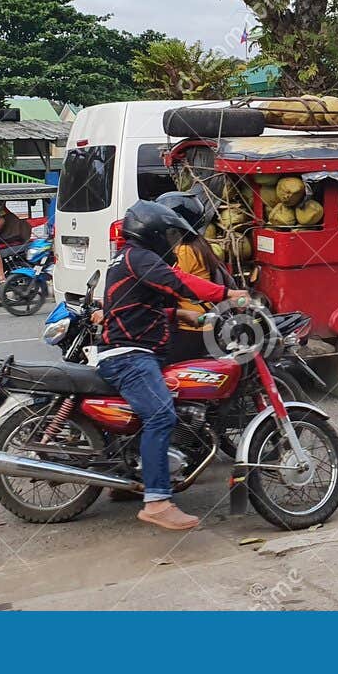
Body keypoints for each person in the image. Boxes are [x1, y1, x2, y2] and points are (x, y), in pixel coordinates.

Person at [95, 200, 247, 531]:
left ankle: (128, 480)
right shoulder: (140, 257)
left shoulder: (129, 257)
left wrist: (178, 314)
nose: (171, 241)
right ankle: (157, 502)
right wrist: (228, 294)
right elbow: (177, 282)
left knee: (159, 411)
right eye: (167, 234)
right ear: (150, 231)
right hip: (129, 356)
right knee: (161, 415)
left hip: (131, 350)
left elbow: (133, 308)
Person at [155, 191, 235, 364]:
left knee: (154, 364)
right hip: (202, 325)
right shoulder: (199, 244)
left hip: (192, 327)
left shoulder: (184, 251)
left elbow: (168, 285)